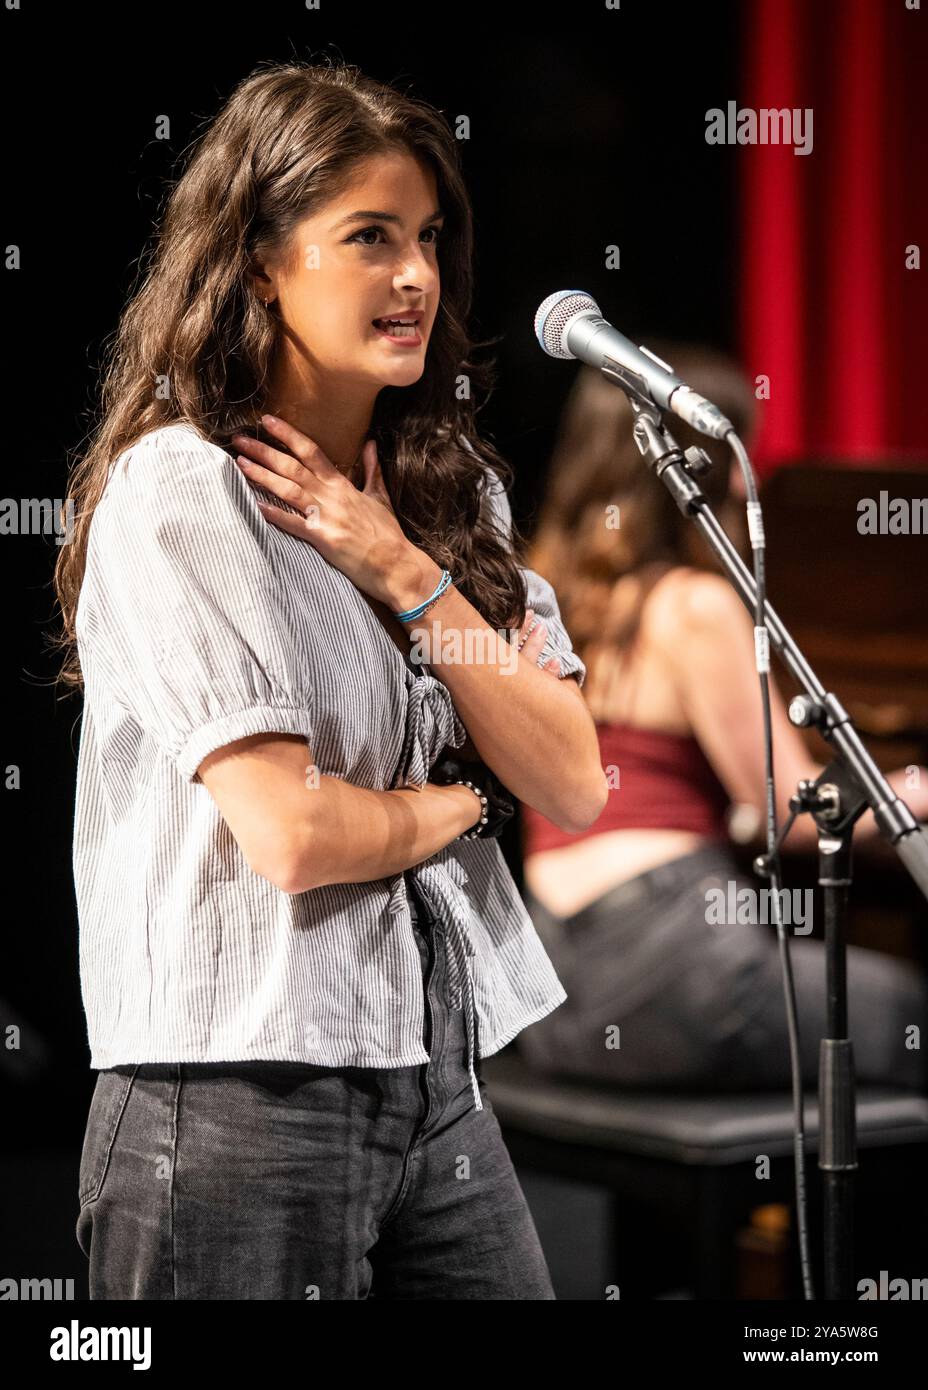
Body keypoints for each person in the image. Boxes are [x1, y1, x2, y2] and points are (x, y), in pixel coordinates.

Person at [53, 60, 607, 1300]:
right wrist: (464, 805)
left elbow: (571, 774)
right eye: (368, 237)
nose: (414, 275)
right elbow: (295, 833)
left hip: (433, 1074)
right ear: (257, 260)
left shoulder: (450, 490)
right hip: (238, 1089)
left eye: (425, 238)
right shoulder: (184, 490)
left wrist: (405, 568)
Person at [518, 345, 928, 1094]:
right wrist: (916, 788)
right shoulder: (693, 606)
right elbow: (795, 814)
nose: (749, 478)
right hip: (675, 962)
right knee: (911, 1015)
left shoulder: (544, 593)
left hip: (552, 987)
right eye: (737, 447)